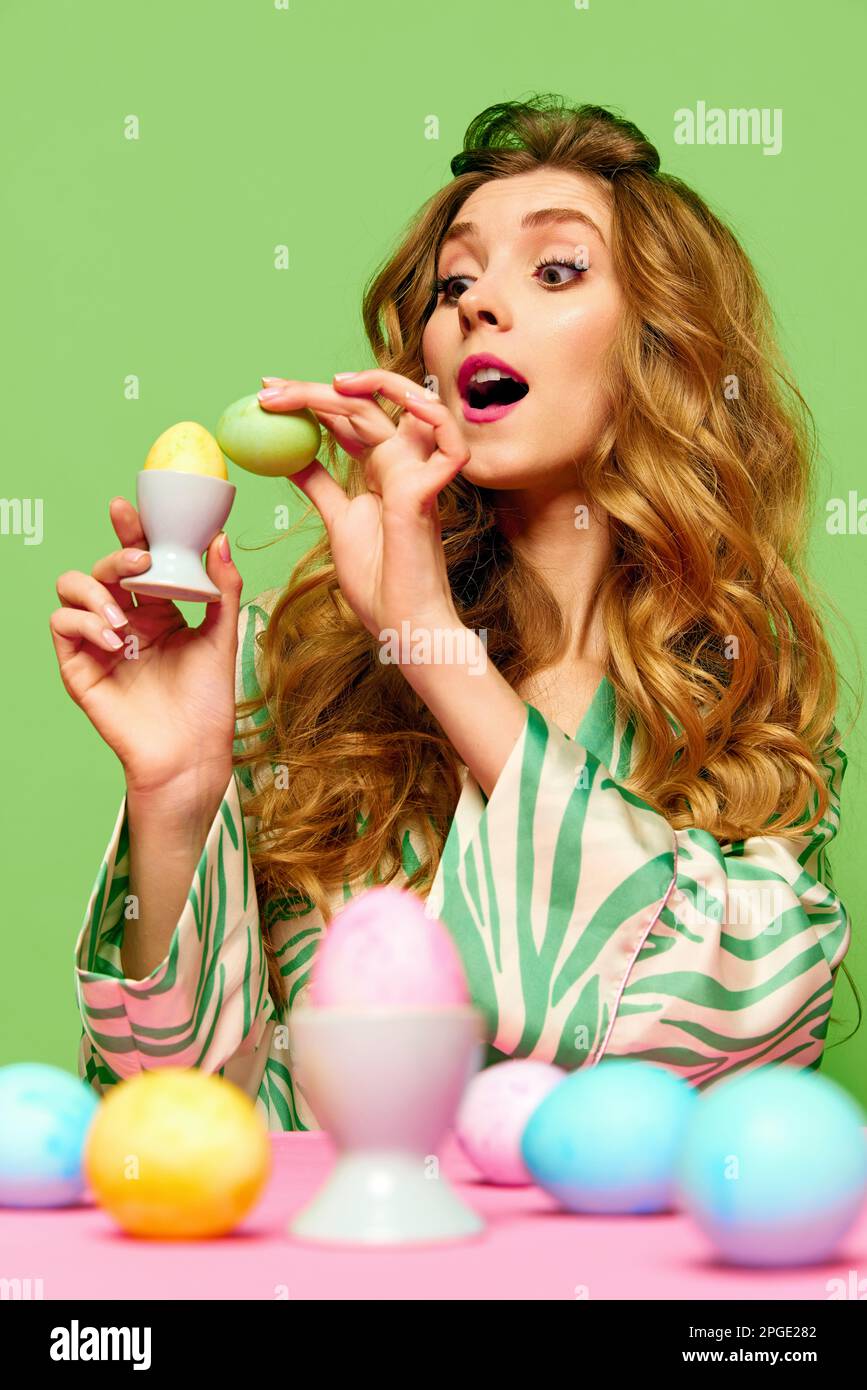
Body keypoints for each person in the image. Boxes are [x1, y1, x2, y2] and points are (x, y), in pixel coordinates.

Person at [50, 96, 856, 1132]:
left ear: (663, 350)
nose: (477, 306)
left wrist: (435, 649)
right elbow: (187, 1135)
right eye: (454, 283)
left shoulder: (738, 701)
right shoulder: (318, 688)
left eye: (556, 269)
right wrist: (177, 795)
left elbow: (728, 1029)